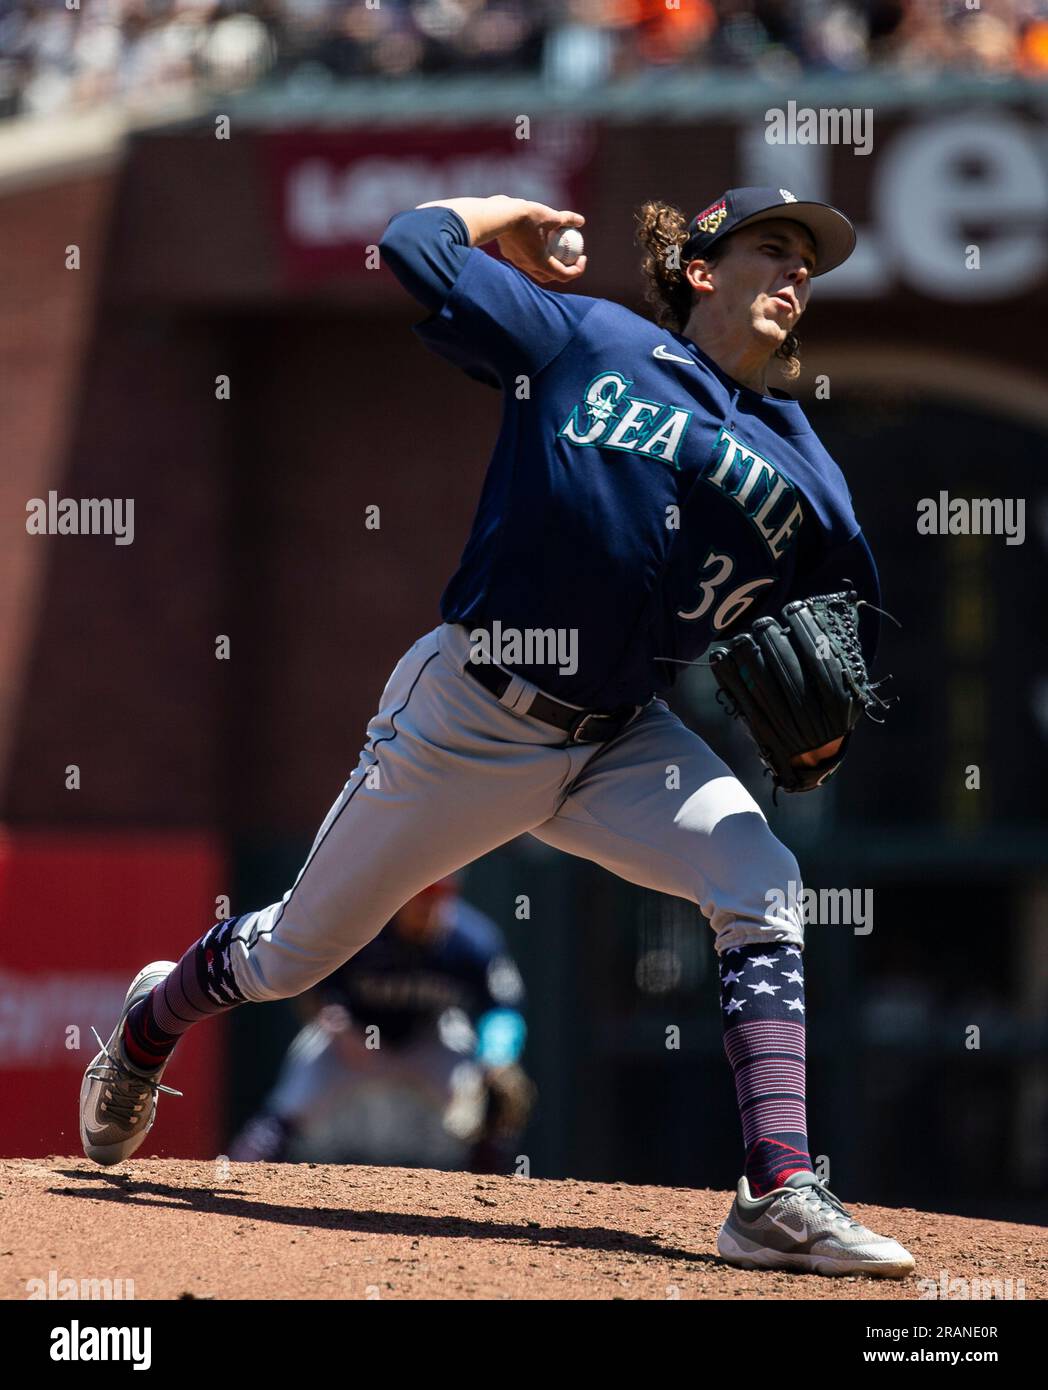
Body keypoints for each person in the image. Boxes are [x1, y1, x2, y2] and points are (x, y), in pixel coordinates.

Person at [80, 185, 914, 1278]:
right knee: (288, 958)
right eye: (773, 246)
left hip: (621, 737)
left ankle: (777, 1193)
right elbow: (412, 246)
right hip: (469, 714)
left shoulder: (804, 462)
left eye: (809, 259)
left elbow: (844, 631)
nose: (797, 269)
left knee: (762, 878)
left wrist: (825, 737)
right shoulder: (587, 337)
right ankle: (150, 1021)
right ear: (701, 269)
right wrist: (508, 212)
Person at [227, 880, 532, 1172]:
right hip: (353, 1040)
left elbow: (503, 1005)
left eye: (439, 892)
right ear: (402, 895)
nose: (428, 903)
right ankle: (235, 1175)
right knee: (286, 1111)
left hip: (429, 1039)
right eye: (421, 892)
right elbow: (310, 989)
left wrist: (496, 1056)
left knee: (485, 1115)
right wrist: (334, 1024)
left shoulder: (472, 940)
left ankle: (498, 1193)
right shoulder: (362, 929)